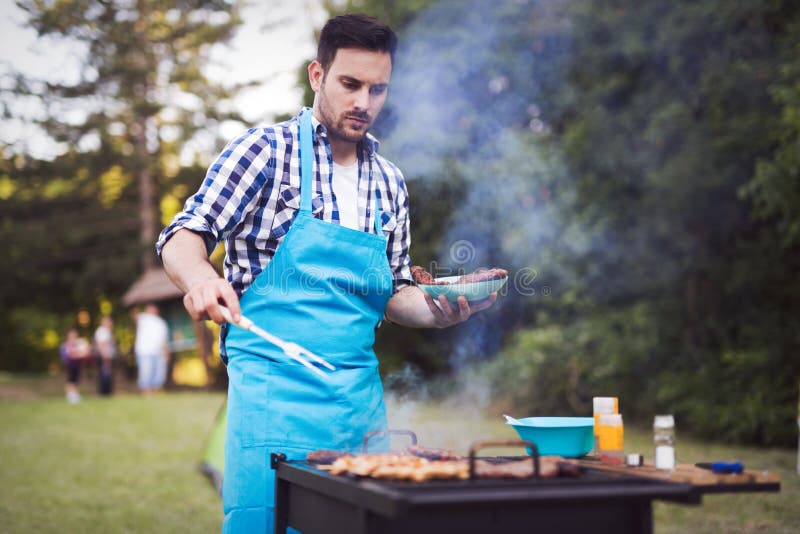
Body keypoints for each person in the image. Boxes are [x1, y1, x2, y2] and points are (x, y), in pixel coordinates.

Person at [157, 13, 498, 532]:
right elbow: (183, 236)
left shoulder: (389, 183)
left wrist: (440, 312)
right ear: (318, 76)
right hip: (272, 405)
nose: (363, 102)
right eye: (350, 83)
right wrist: (202, 279)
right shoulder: (264, 153)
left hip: (359, 412)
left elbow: (394, 290)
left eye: (377, 88)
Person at [133, 303, 170, 394]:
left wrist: (166, 353)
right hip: (145, 351)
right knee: (146, 373)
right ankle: (146, 392)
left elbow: (165, 340)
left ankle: (155, 392)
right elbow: (134, 316)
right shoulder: (143, 318)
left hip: (158, 352)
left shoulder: (161, 322)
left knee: (158, 374)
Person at [60, 328, 91, 404]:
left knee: (76, 380)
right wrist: (79, 353)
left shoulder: (79, 343)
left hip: (77, 364)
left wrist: (79, 353)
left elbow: (85, 352)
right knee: (71, 380)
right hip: (70, 365)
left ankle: (75, 394)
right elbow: (71, 354)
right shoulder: (66, 344)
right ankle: (70, 395)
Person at [93, 315, 116, 396]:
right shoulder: (102, 331)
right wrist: (105, 356)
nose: (110, 323)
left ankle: (106, 392)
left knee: (106, 374)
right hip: (103, 357)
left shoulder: (106, 331)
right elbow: (101, 345)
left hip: (105, 356)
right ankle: (104, 393)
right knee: (104, 375)